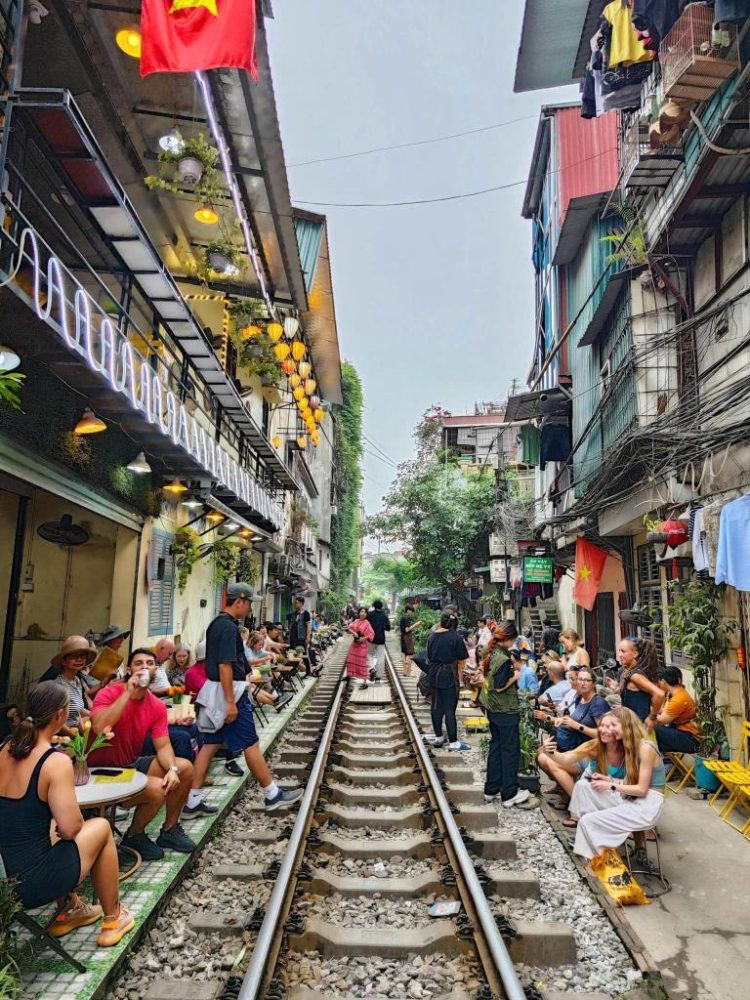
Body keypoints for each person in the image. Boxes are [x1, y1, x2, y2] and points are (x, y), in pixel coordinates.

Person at [0, 682, 134, 946]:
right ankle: (113, 919)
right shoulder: (55, 761)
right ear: (60, 715)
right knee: (101, 828)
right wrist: (69, 825)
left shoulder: (4, 748)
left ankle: (70, 908)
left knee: (50, 828)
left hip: (4, 877)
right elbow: (72, 828)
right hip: (30, 885)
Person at [190, 584, 303, 811]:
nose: (251, 608)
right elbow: (225, 666)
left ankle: (192, 801)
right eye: (250, 603)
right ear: (240, 601)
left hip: (217, 691)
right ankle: (272, 794)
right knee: (250, 742)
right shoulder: (228, 628)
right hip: (230, 692)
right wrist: (231, 702)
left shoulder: (216, 624)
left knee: (210, 744)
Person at [89, 648, 199, 859]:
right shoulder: (109, 693)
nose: (144, 667)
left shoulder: (155, 705)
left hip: (128, 765)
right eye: (138, 663)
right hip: (100, 770)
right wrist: (127, 693)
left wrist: (172, 769)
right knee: (157, 789)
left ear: (156, 670)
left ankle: (169, 830)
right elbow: (99, 727)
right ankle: (135, 835)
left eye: (150, 663)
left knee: (184, 768)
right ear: (130, 670)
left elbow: (163, 746)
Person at [565, 707, 665, 868]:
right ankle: (598, 852)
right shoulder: (632, 746)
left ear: (626, 725)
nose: (609, 730)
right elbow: (631, 783)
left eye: (613, 725)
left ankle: (598, 866)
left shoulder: (645, 747)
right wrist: (610, 780)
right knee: (585, 788)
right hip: (634, 800)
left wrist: (610, 785)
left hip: (647, 805)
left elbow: (641, 789)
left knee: (587, 821)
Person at [537, 668, 611, 806]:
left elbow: (604, 735)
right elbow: (571, 720)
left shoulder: (598, 704)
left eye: (586, 680)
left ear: (593, 683)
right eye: (580, 679)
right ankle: (564, 790)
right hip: (576, 747)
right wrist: (552, 719)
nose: (582, 683)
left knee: (551, 761)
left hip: (592, 752)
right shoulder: (579, 699)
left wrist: (577, 726)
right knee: (541, 756)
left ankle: (578, 803)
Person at [479, 622, 530, 808]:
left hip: (494, 709)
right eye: (513, 639)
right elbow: (499, 686)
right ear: (508, 638)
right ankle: (509, 793)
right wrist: (515, 677)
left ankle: (491, 789)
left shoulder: (493, 653)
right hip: (505, 711)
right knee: (510, 752)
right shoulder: (503, 659)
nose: (514, 642)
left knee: (496, 748)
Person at [425, 611, 469, 751]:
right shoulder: (455, 637)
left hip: (433, 674)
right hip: (448, 675)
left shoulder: (432, 636)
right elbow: (462, 658)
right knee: (449, 708)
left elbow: (429, 656)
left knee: (436, 705)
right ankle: (453, 742)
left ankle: (438, 737)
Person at [606, 637, 665, 727]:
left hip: (639, 724)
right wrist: (616, 688)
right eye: (619, 651)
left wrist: (652, 717)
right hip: (630, 722)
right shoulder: (627, 671)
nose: (620, 655)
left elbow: (659, 694)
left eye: (623, 651)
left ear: (635, 654)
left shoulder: (635, 676)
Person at [47, 636, 95, 736]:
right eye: (74, 656)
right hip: (63, 738)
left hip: (77, 735)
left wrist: (98, 715)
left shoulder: (77, 681)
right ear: (64, 661)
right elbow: (53, 718)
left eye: (82, 656)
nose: (79, 659)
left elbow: (78, 710)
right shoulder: (59, 686)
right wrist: (72, 734)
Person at [654, 666, 700, 754]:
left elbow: (662, 720)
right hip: (683, 732)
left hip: (690, 739)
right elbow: (666, 711)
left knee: (653, 727)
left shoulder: (678, 699)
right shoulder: (675, 693)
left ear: (663, 681)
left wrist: (648, 713)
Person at [345, 607, 375, 686]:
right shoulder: (356, 621)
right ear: (359, 613)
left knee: (362, 663)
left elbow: (371, 634)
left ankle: (364, 683)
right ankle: (349, 679)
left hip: (362, 646)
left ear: (366, 614)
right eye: (361, 611)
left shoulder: (367, 623)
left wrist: (363, 639)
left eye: (365, 612)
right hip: (354, 645)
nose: (363, 613)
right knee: (350, 660)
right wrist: (353, 633)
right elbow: (349, 628)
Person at [367, 599, 391, 681]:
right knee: (380, 657)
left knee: (370, 654)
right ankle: (378, 676)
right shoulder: (384, 615)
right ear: (381, 606)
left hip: (370, 638)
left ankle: (371, 668)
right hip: (381, 639)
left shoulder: (369, 615)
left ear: (374, 606)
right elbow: (388, 628)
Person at [288, 596, 312, 674]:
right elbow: (291, 626)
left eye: (296, 603)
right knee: (293, 654)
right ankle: (293, 670)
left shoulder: (305, 613)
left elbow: (308, 626)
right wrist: (289, 637)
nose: (295, 604)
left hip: (302, 637)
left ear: (301, 603)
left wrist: (308, 636)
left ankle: (308, 671)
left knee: (303, 654)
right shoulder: (293, 614)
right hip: (293, 638)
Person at [399, 605, 418, 677]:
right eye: (412, 611)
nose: (412, 613)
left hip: (403, 637)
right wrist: (415, 625)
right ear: (408, 610)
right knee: (409, 654)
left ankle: (405, 671)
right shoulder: (406, 618)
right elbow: (407, 629)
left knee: (404, 654)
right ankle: (408, 672)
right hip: (407, 638)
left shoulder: (402, 617)